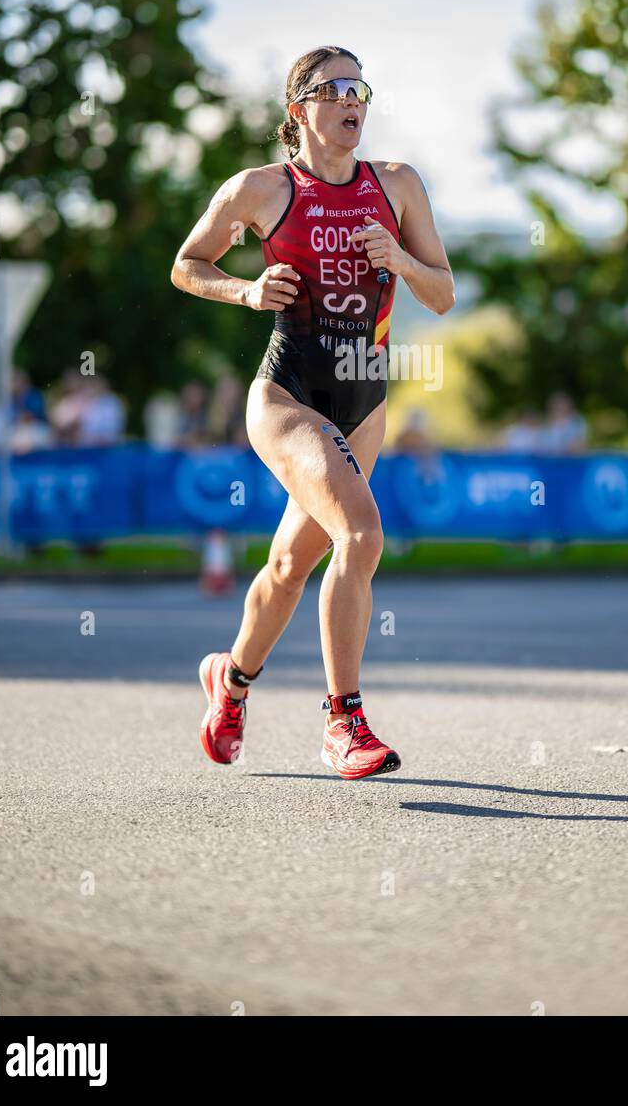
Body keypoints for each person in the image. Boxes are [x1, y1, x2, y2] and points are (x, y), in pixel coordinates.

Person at [172, 45, 454, 779]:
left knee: (290, 565)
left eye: (360, 86)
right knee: (361, 535)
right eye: (334, 89)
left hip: (364, 402)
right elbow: (187, 264)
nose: (352, 99)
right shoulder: (261, 189)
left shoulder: (395, 185)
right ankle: (344, 722)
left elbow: (443, 292)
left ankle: (229, 682)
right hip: (288, 397)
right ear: (298, 109)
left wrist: (399, 257)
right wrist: (244, 289)